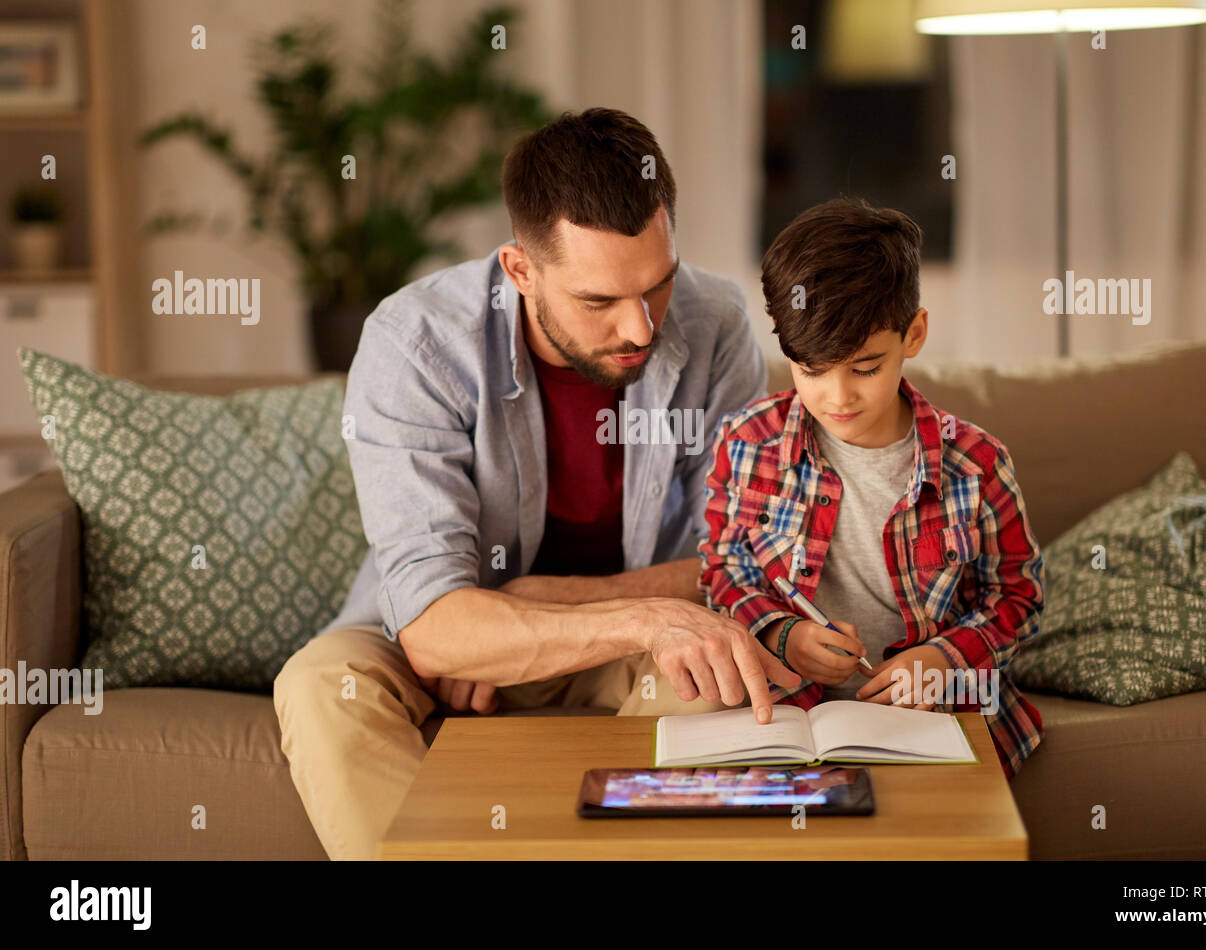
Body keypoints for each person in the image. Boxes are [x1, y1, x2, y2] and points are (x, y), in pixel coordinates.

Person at [273, 107, 801, 860]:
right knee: (321, 687)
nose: (641, 330)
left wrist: (513, 611)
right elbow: (431, 626)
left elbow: (737, 567)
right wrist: (642, 616)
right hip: (485, 640)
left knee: (717, 678)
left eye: (657, 285)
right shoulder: (414, 345)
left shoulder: (715, 325)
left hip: (602, 646)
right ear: (520, 270)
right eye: (598, 302)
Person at [696, 198, 1046, 780]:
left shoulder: (977, 464)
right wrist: (782, 635)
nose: (838, 397)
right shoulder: (745, 442)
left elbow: (1018, 599)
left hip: (939, 716)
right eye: (810, 370)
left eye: (864, 368)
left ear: (915, 334)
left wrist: (942, 661)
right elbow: (722, 569)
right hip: (791, 713)